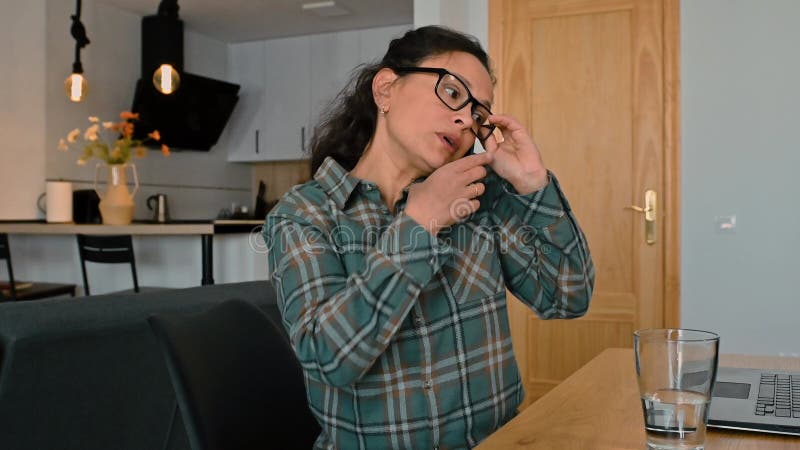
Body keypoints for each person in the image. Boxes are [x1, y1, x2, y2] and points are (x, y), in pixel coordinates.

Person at [263, 26, 594, 450]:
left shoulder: (483, 198)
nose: (464, 119)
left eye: (478, 114)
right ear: (385, 89)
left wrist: (533, 185)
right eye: (453, 93)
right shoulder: (304, 215)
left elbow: (567, 296)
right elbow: (330, 358)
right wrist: (420, 223)